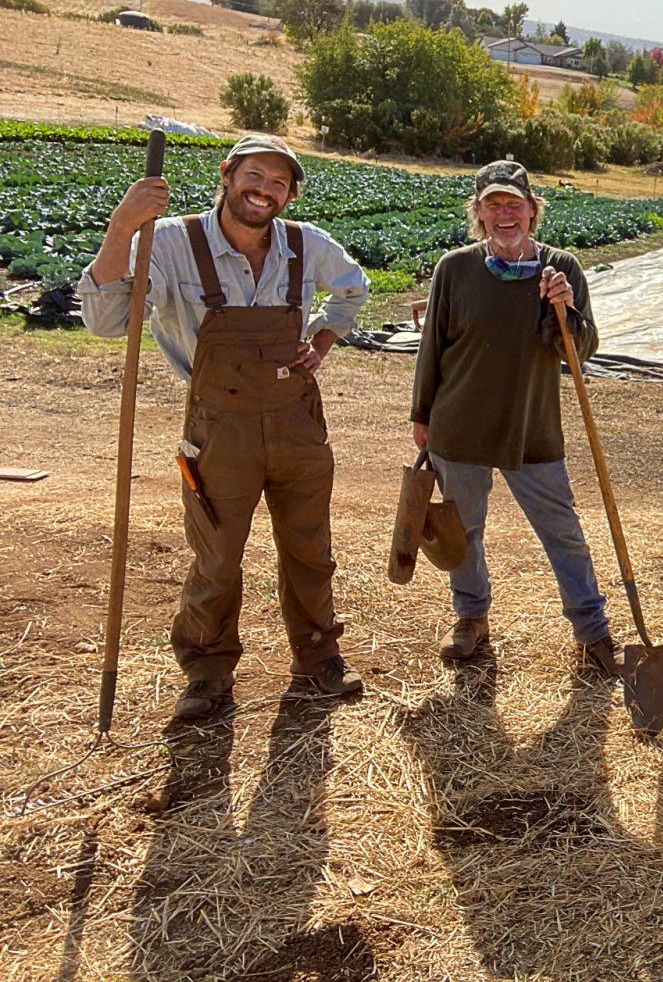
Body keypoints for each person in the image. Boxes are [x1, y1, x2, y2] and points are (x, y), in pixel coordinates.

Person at [81, 133, 369, 720]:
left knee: (310, 550)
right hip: (218, 430)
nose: (264, 190)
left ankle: (318, 660)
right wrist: (120, 227)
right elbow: (108, 321)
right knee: (217, 555)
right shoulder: (168, 241)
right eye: (254, 176)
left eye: (278, 183)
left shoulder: (304, 244)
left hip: (298, 425)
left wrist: (322, 339)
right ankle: (208, 672)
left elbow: (353, 290)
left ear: (288, 194)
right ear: (228, 173)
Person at [410, 161, 614, 671]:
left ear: (532, 211)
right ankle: (471, 618)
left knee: (562, 529)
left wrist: (566, 311)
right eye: (493, 204)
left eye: (514, 204)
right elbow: (432, 345)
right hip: (460, 426)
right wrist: (422, 414)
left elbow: (580, 351)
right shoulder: (455, 268)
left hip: (532, 427)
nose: (505, 213)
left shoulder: (560, 268)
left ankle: (592, 632)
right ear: (478, 214)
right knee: (465, 531)